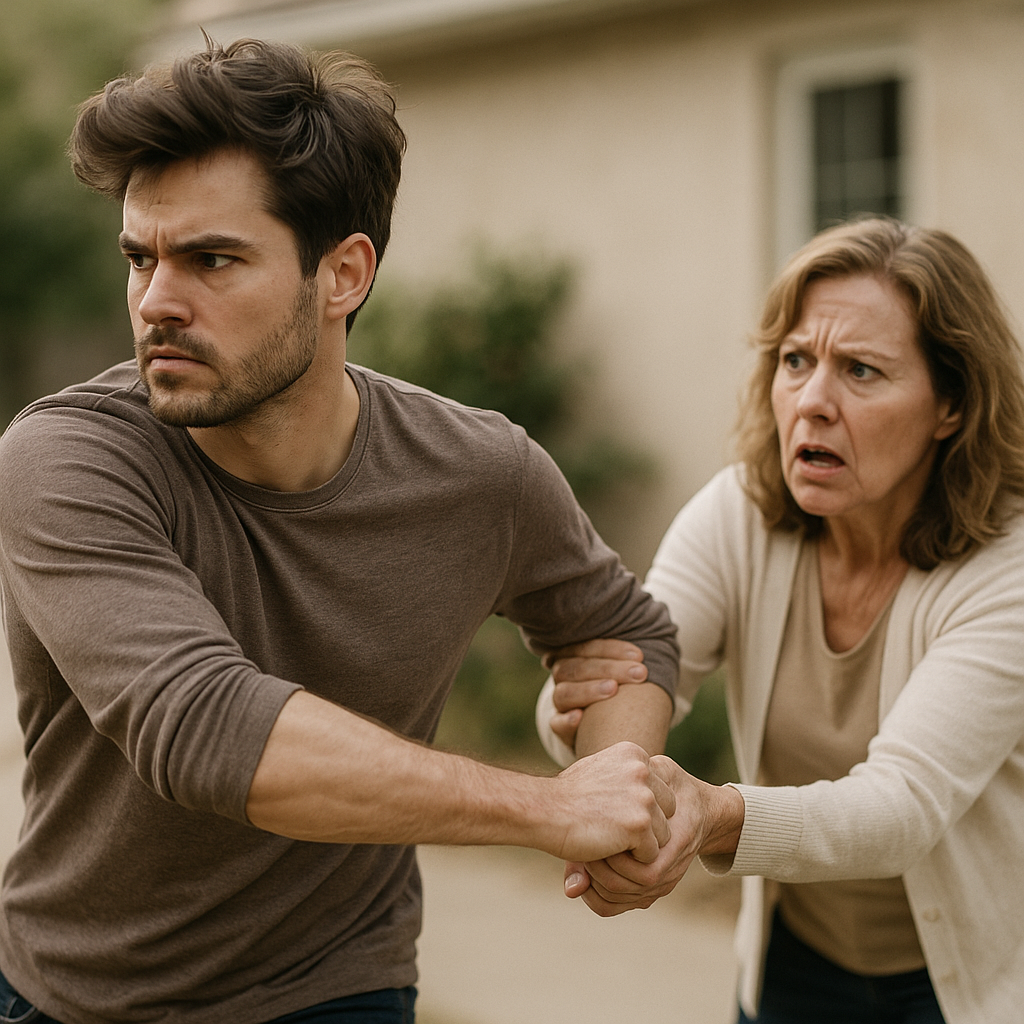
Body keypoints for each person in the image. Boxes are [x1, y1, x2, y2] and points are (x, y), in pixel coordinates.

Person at [0, 38, 683, 1024]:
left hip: (337, 986)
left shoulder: (480, 473)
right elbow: (202, 728)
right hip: (83, 996)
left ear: (343, 275)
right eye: (140, 257)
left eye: (211, 259)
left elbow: (624, 637)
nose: (155, 301)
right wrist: (552, 810)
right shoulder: (68, 461)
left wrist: (621, 794)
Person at [536, 218, 1024, 1024]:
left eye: (861, 370)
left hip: (965, 986)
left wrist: (713, 812)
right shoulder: (739, 514)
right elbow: (646, 669)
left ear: (951, 405)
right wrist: (598, 752)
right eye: (797, 361)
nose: (814, 402)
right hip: (795, 963)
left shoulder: (1005, 569)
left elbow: (901, 809)